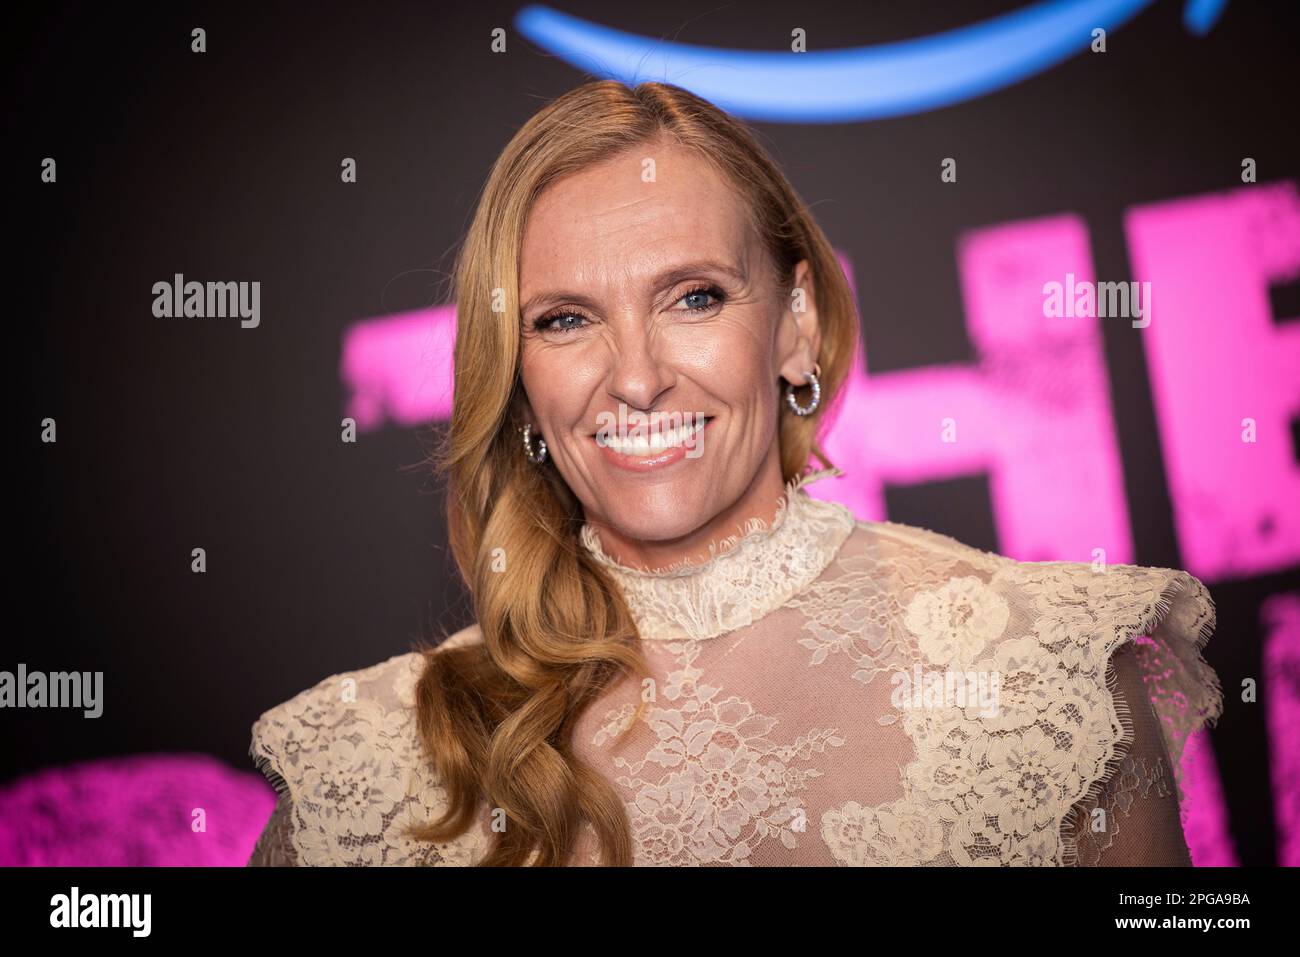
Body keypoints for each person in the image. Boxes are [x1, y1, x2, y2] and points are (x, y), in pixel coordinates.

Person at [247, 80, 1222, 867]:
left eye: (694, 297)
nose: (634, 377)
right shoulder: (370, 763)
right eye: (565, 319)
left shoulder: (1040, 675)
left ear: (796, 323)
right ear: (518, 376)